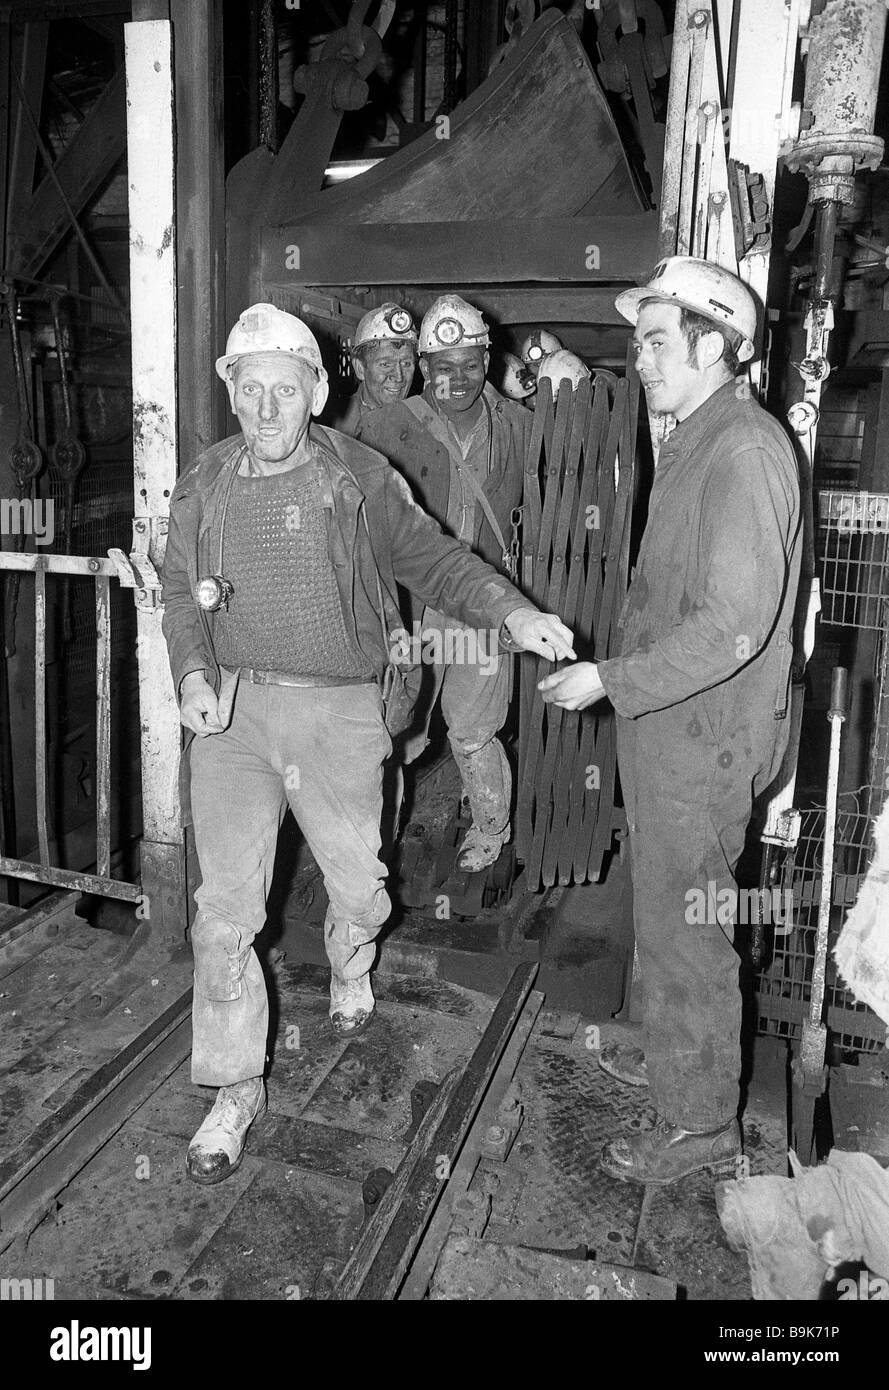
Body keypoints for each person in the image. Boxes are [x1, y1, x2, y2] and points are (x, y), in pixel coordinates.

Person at [160, 302, 575, 1185]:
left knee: (360, 886)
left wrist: (511, 610)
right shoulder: (203, 481)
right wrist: (192, 673)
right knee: (223, 916)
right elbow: (176, 593)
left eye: (286, 388)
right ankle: (234, 1087)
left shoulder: (358, 477)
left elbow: (433, 562)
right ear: (231, 393)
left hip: (341, 710)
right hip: (233, 719)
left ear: (317, 390)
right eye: (250, 390)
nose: (267, 409)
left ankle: (354, 955)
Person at [539, 256, 802, 1185]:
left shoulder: (743, 451)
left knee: (691, 929)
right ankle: (667, 1049)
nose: (639, 358)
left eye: (654, 340)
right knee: (665, 908)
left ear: (711, 346)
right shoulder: (696, 437)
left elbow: (734, 629)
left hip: (705, 738)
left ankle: (699, 1128)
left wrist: (609, 678)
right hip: (674, 732)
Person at [360, 293, 530, 872]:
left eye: (471, 364)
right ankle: (377, 842)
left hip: (482, 601)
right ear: (424, 368)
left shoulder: (520, 427)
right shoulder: (387, 427)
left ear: (489, 360)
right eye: (442, 366)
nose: (457, 379)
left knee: (474, 730)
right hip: (412, 606)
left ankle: (491, 827)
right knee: (396, 732)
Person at [336, 301, 418, 438]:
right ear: (360, 368)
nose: (399, 377)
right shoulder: (336, 428)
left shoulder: (425, 423)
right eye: (386, 364)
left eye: (406, 364)